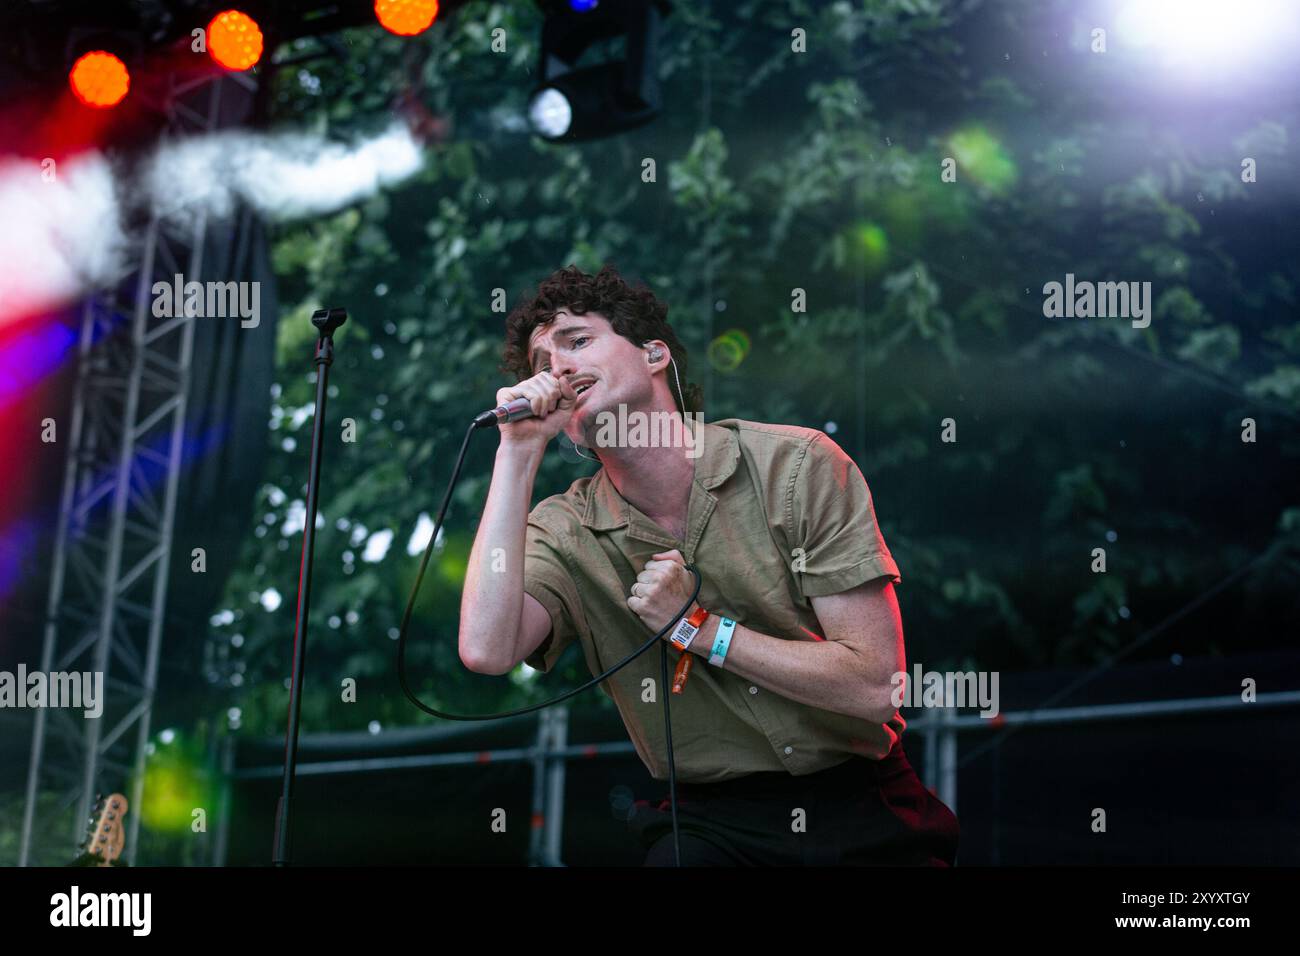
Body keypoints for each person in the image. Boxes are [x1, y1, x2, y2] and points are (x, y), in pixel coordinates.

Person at [459, 263, 959, 866]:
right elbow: (486, 650)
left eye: (577, 340)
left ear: (653, 355)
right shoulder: (563, 530)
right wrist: (516, 454)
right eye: (541, 365)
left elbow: (878, 686)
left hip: (860, 796)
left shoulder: (795, 466)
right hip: (709, 823)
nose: (556, 369)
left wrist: (700, 629)